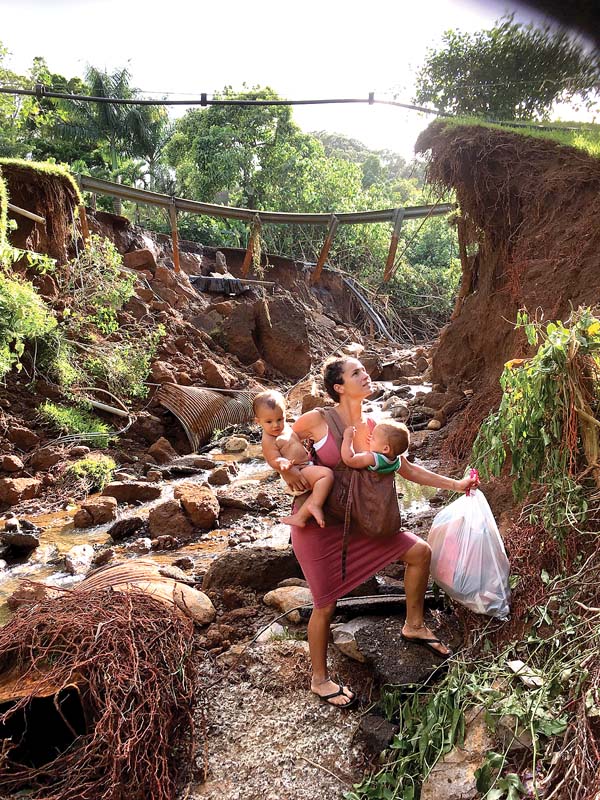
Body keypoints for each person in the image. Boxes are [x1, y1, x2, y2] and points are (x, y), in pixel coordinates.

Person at [281, 356, 479, 709]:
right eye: (356, 372)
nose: (365, 374)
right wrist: (287, 471)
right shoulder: (316, 420)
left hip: (363, 523)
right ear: (338, 387)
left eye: (363, 370)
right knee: (325, 606)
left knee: (419, 553)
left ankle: (414, 625)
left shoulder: (376, 425)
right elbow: (280, 443)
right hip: (319, 526)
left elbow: (410, 470)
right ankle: (320, 679)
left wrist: (458, 484)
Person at [253, 390, 334, 528]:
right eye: (269, 421)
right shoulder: (269, 439)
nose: (275, 425)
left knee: (322, 482)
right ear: (258, 421)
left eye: (280, 419)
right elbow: (271, 459)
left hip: (304, 466)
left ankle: (303, 514)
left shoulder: (286, 428)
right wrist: (282, 463)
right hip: (297, 471)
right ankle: (311, 508)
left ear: (286, 415)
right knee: (326, 475)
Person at [341, 419, 409, 473]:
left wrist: (348, 438)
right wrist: (376, 441)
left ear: (385, 449)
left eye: (373, 438)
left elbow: (349, 460)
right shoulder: (396, 460)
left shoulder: (373, 458)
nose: (370, 440)